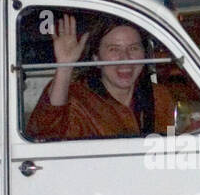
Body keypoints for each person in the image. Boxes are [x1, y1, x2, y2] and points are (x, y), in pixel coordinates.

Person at [27, 13, 176, 140]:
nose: (125, 58)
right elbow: (44, 134)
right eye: (114, 49)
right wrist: (65, 66)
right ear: (96, 58)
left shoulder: (160, 96)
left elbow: (171, 144)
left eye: (134, 48)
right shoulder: (76, 99)